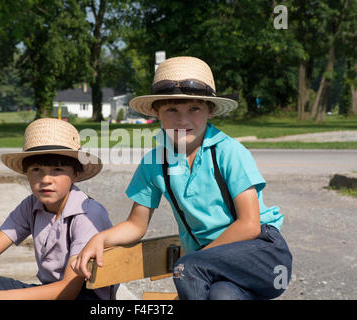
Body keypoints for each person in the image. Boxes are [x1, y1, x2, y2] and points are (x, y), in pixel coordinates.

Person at [72, 56, 292, 300]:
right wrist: (99, 238)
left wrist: (198, 258)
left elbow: (249, 225)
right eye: (172, 110)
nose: (183, 120)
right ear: (157, 112)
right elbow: (136, 225)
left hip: (261, 255)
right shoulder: (155, 162)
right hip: (212, 270)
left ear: (210, 110)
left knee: (184, 268)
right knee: (222, 296)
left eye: (194, 109)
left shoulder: (229, 152)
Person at [0, 118, 114, 300]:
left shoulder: (86, 214)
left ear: (76, 174)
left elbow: (68, 290)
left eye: (57, 169)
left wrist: (2, 298)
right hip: (48, 291)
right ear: (26, 173)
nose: (46, 179)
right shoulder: (31, 205)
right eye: (36, 169)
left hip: (79, 296)